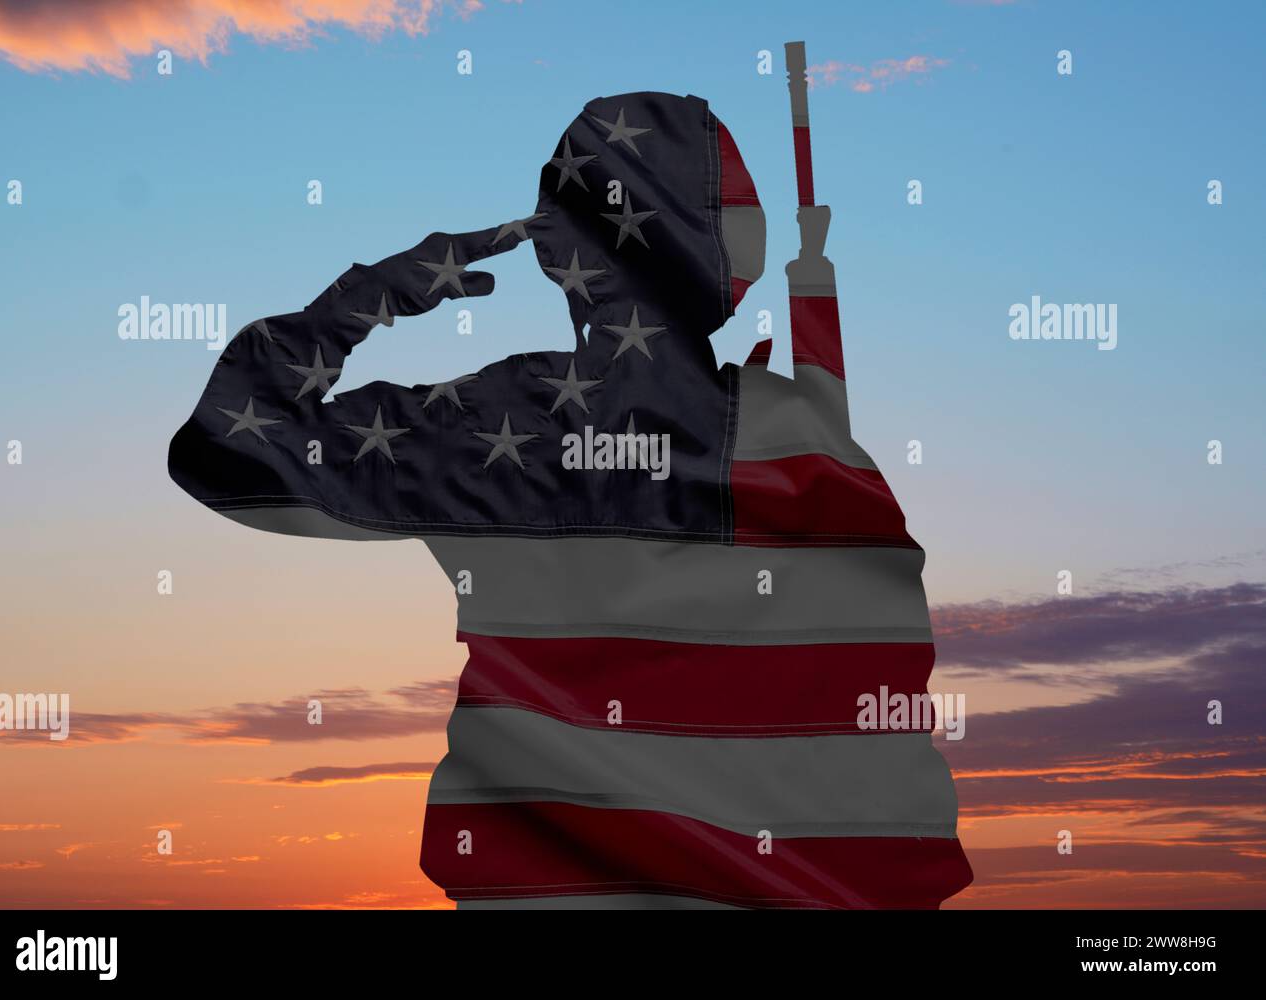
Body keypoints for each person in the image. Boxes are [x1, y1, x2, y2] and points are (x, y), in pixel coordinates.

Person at [169, 90, 971, 909]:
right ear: (740, 262)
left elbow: (223, 453)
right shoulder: (818, 456)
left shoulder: (497, 430)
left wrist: (361, 302)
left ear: (555, 252)